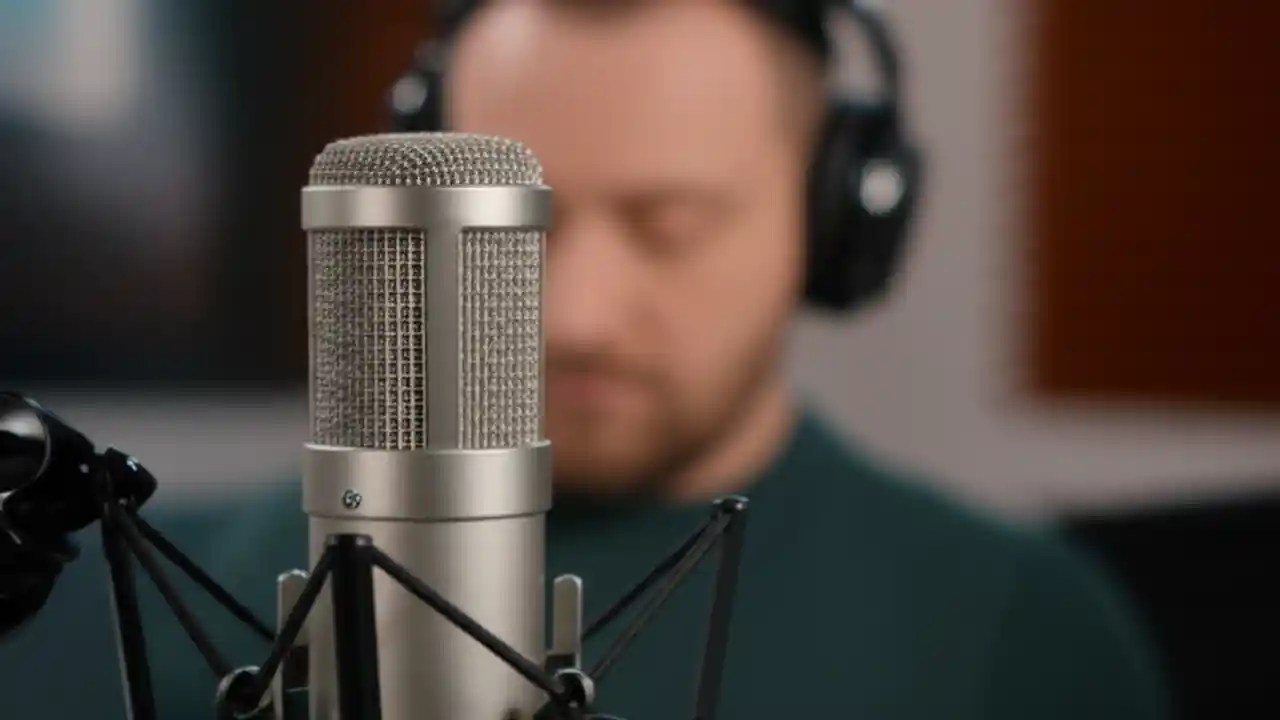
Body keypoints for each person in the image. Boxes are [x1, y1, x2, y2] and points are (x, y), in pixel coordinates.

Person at [0, 1, 1169, 718]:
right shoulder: (94, 604)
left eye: (670, 226)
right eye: (517, 231)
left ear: (830, 223)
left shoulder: (1018, 626)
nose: (576, 315)